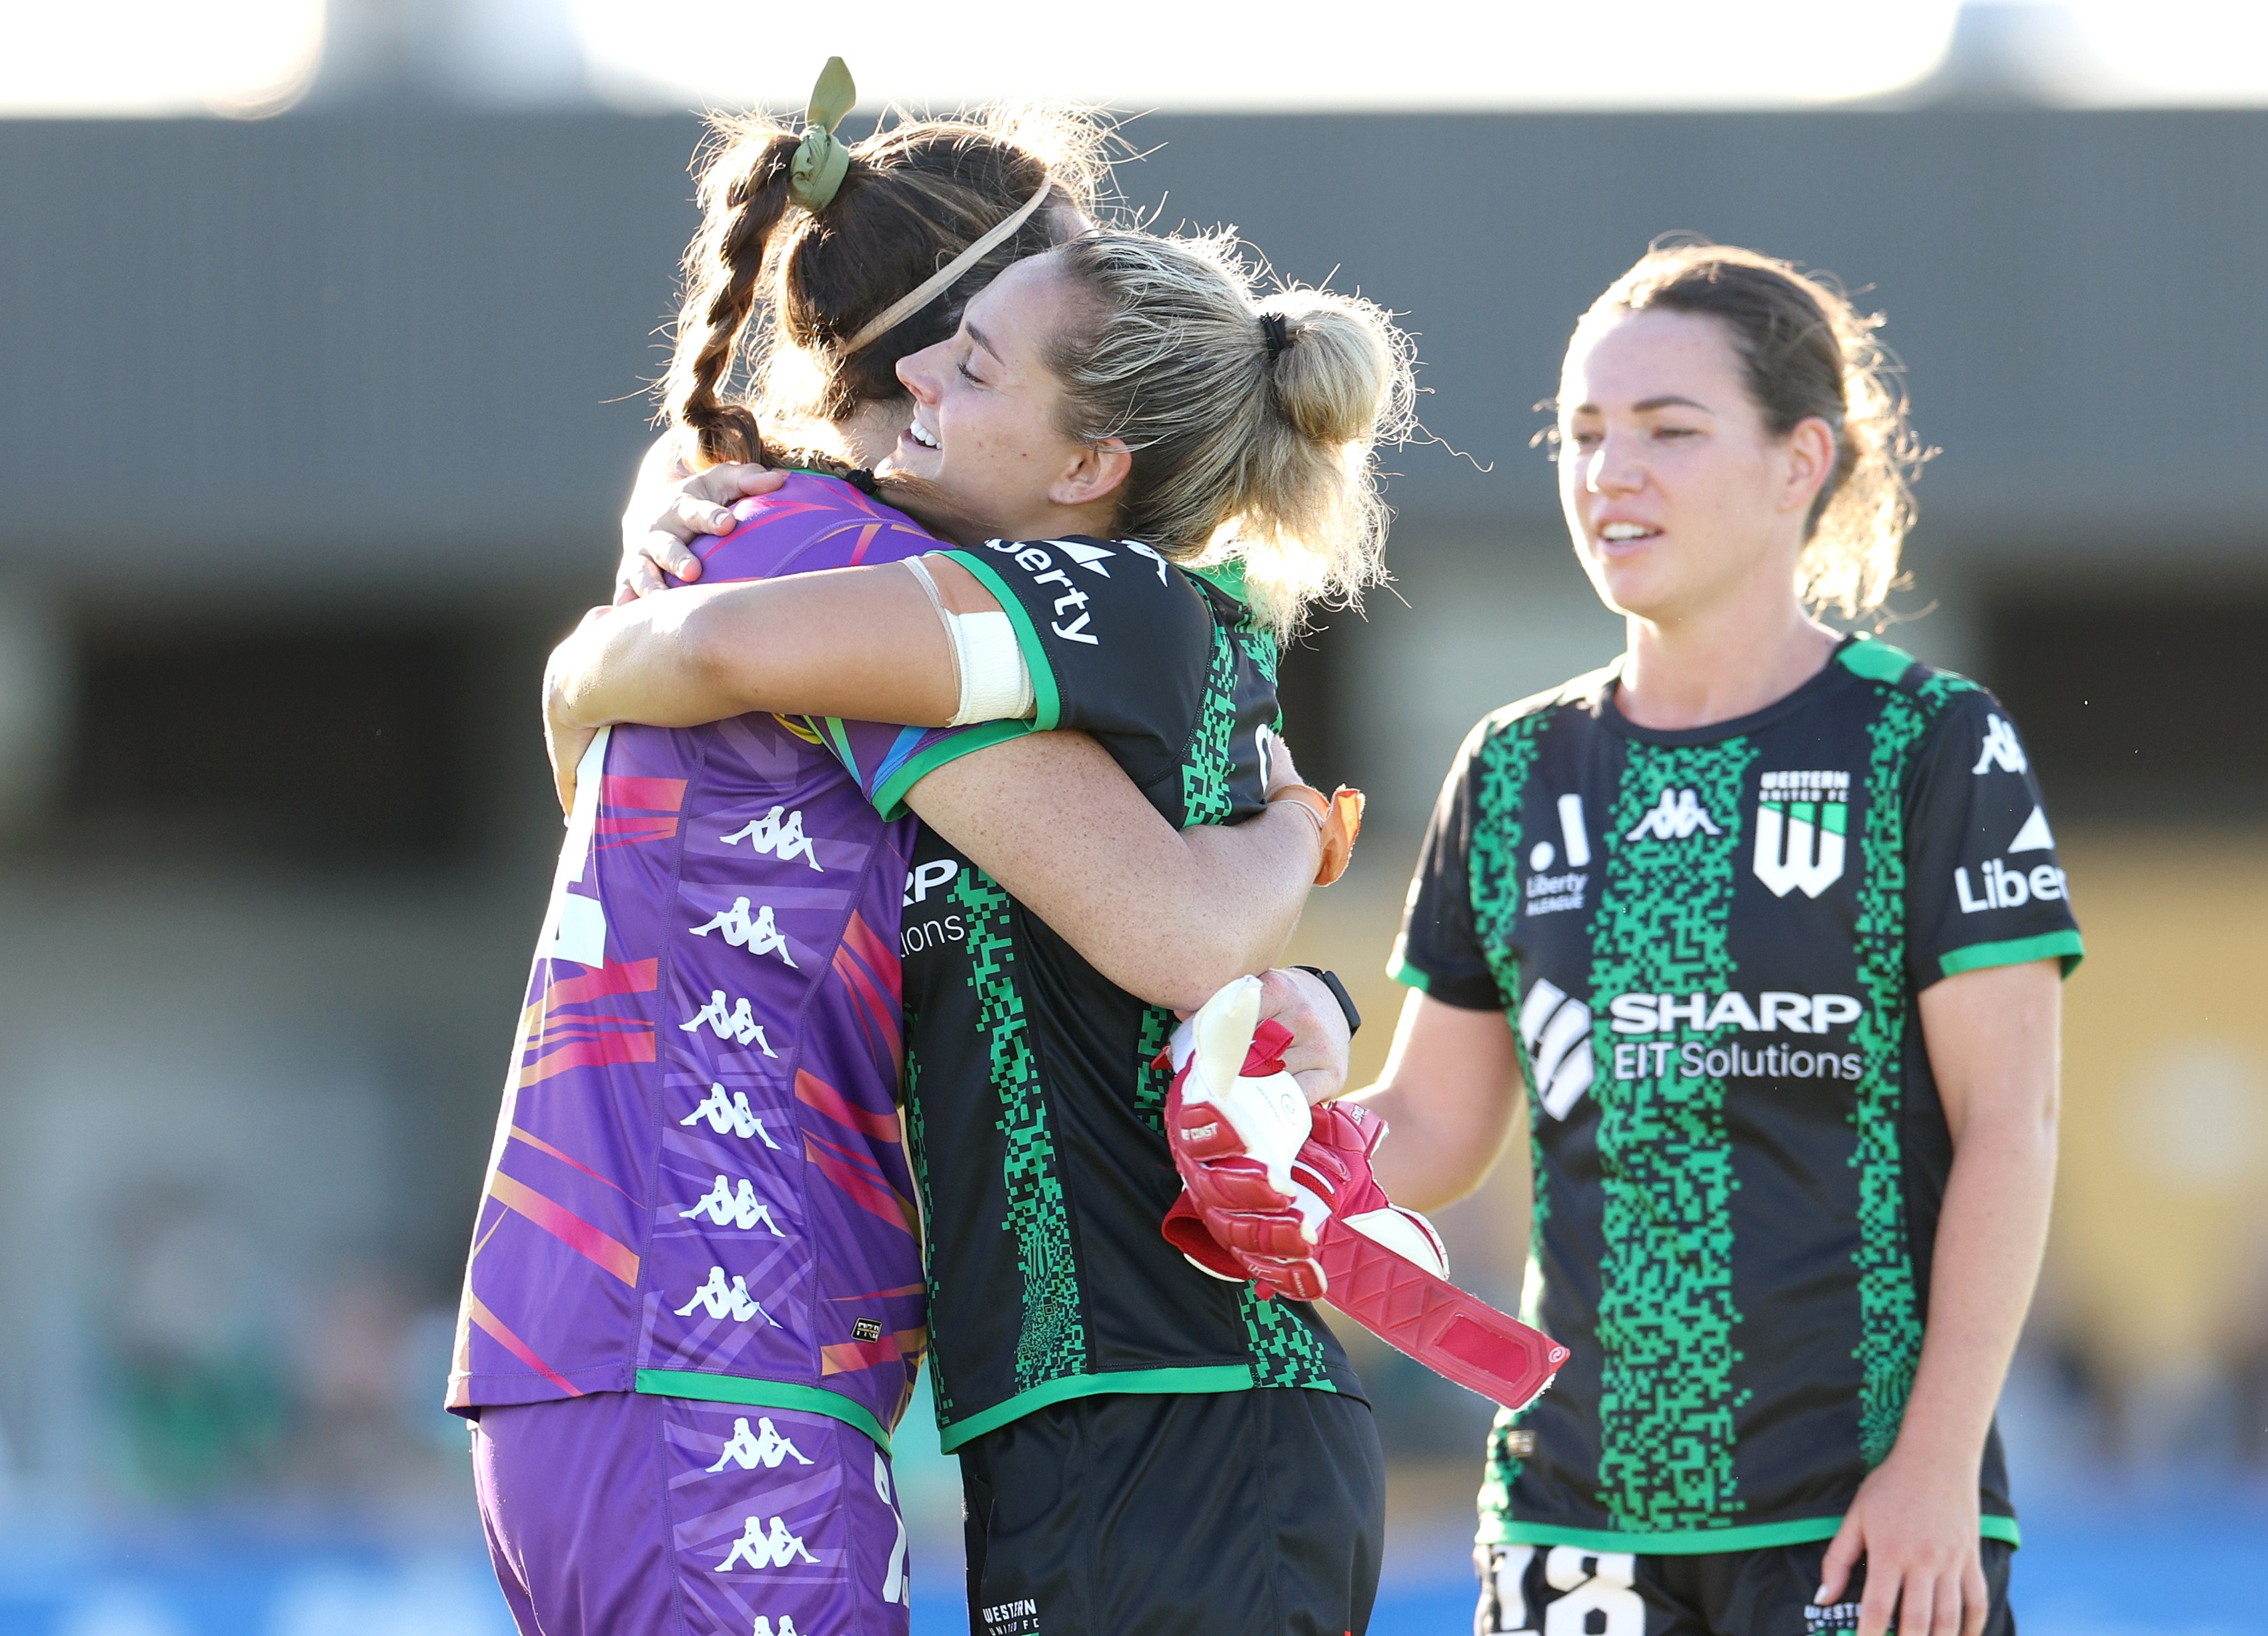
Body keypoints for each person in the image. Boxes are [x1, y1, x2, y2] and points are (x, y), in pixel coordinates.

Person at [455, 70, 1352, 1636]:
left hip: (651, 1334)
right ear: (951, 342)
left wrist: (586, 657)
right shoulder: (879, 582)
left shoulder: (754, 533)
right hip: (706, 1333)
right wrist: (1294, 836)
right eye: (1030, 318)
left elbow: (600, 773)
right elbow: (1172, 925)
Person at [1342, 243, 2079, 1636]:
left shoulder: (1930, 745)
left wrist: (1933, 1466)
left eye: (1668, 431)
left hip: (1860, 1512)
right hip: (1576, 1523)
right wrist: (1257, 1142)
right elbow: (1433, 1128)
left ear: (1800, 461)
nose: (1610, 471)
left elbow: (2012, 1127)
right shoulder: (1511, 769)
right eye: (1581, 434)